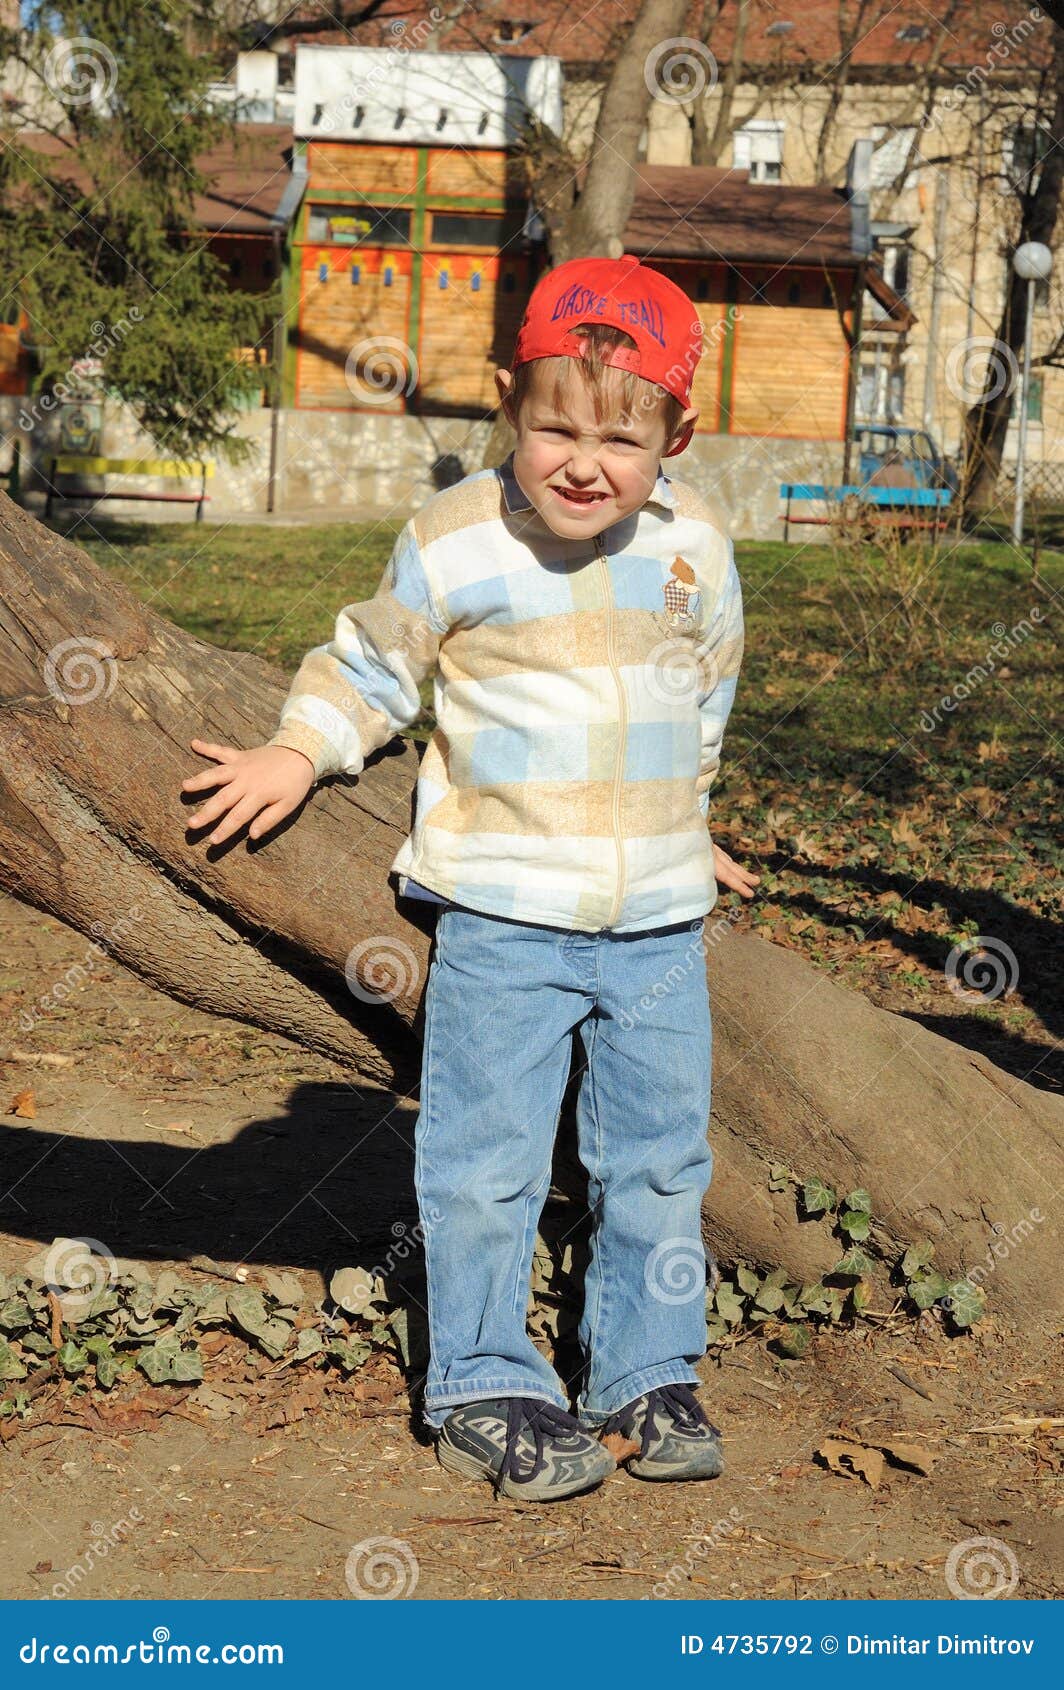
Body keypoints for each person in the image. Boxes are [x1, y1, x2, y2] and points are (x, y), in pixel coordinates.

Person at [182, 255, 758, 1504]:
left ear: (677, 432)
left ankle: (642, 1369)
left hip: (657, 924)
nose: (583, 460)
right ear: (508, 402)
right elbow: (374, 663)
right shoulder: (454, 537)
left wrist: (687, 819)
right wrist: (300, 746)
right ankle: (486, 1375)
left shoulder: (694, 547)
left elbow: (702, 690)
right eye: (553, 423)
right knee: (485, 1156)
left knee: (657, 1159)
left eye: (621, 433)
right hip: (504, 913)